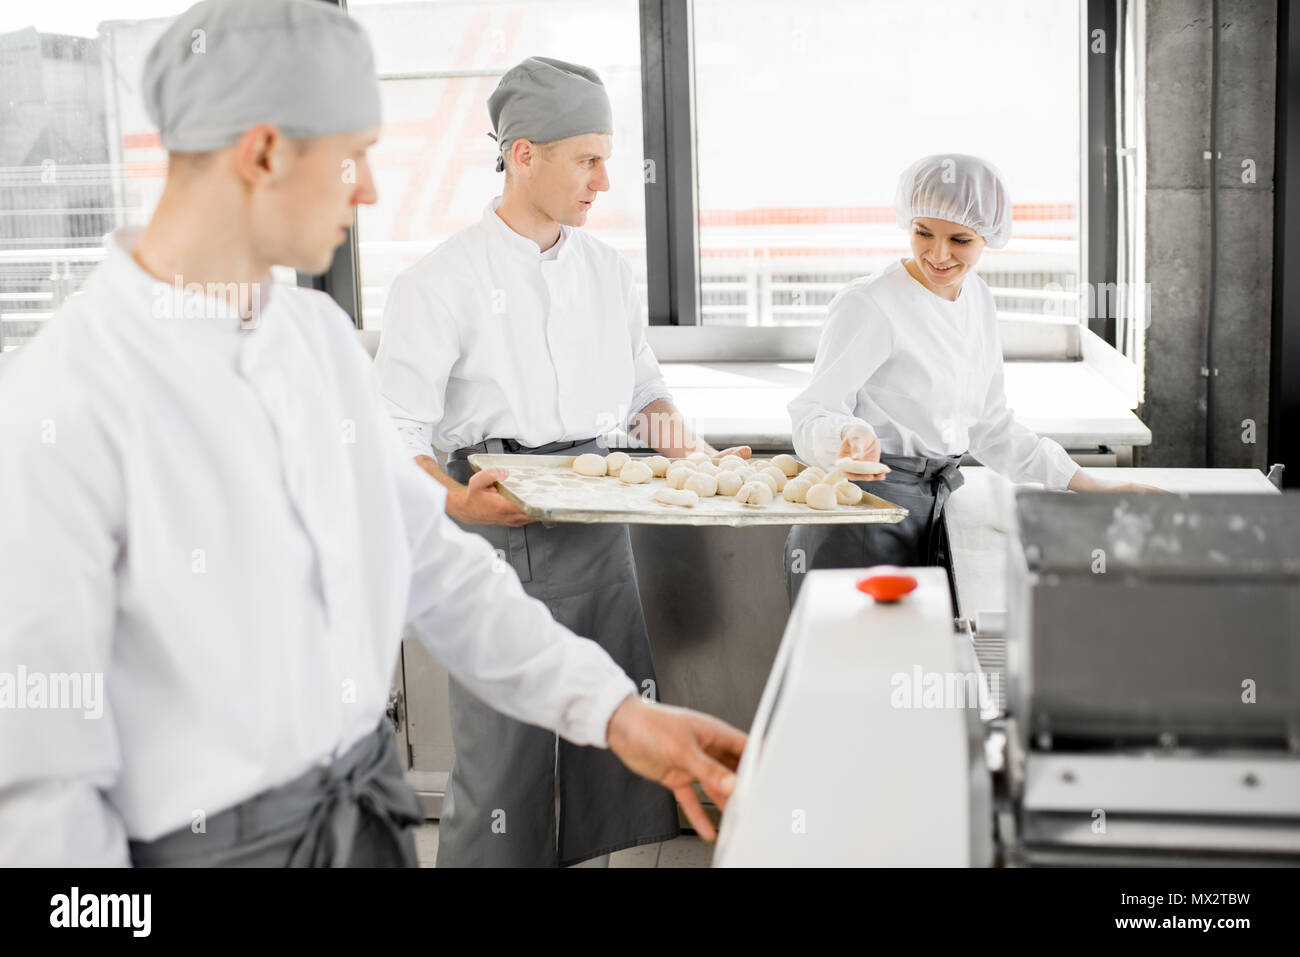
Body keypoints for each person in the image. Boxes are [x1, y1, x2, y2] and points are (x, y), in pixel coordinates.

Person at [0, 0, 744, 867]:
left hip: (365, 816)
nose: (370, 189)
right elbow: (38, 791)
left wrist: (617, 712)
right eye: (351, 156)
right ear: (265, 152)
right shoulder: (63, 402)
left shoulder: (313, 340)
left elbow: (435, 563)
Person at [373, 56, 749, 867]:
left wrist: (705, 457)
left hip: (602, 533)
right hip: (497, 534)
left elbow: (647, 395)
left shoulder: (608, 273)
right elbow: (392, 434)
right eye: (587, 158)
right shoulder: (438, 284)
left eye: (607, 158)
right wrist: (460, 504)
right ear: (523, 155)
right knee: (503, 763)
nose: (605, 181)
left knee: (610, 751)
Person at [785, 153, 1160, 604]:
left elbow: (989, 426)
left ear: (988, 236)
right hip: (861, 509)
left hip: (934, 507)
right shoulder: (870, 303)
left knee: (915, 660)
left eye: (959, 239)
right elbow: (811, 412)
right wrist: (846, 434)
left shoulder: (977, 299)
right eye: (923, 232)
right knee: (852, 666)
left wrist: (1083, 480)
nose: (938, 254)